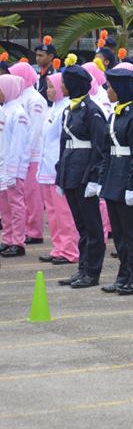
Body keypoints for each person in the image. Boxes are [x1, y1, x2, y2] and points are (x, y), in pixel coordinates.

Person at [97, 67, 133, 295]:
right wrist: (102, 179)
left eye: (111, 87)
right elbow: (106, 150)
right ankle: (124, 275)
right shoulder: (115, 114)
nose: (108, 91)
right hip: (114, 178)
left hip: (128, 178)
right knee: (119, 234)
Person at [55, 61, 108, 288]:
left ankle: (92, 272)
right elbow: (64, 144)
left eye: (65, 83)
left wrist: (94, 178)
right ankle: (82, 268)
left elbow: (100, 147)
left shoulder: (92, 110)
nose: (62, 87)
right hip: (71, 171)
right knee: (81, 226)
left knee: (92, 226)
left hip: (85, 174)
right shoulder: (69, 109)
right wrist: (60, 175)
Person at [36, 69, 80, 265]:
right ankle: (58, 248)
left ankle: (70, 249)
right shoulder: (52, 109)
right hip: (46, 167)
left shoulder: (66, 109)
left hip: (58, 166)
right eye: (47, 87)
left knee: (64, 213)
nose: (49, 90)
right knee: (53, 214)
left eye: (52, 87)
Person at [7, 62, 48, 249]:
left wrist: (26, 153)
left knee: (32, 196)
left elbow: (35, 130)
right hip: (19, 155)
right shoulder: (17, 96)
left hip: (32, 155)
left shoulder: (35, 99)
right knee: (20, 196)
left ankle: (34, 231)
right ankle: (22, 230)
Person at [0, 74, 31, 257]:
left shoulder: (18, 113)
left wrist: (12, 171)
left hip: (14, 167)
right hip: (3, 165)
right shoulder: (4, 109)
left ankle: (18, 242)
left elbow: (17, 145)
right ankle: (8, 239)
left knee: (16, 205)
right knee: (4, 207)